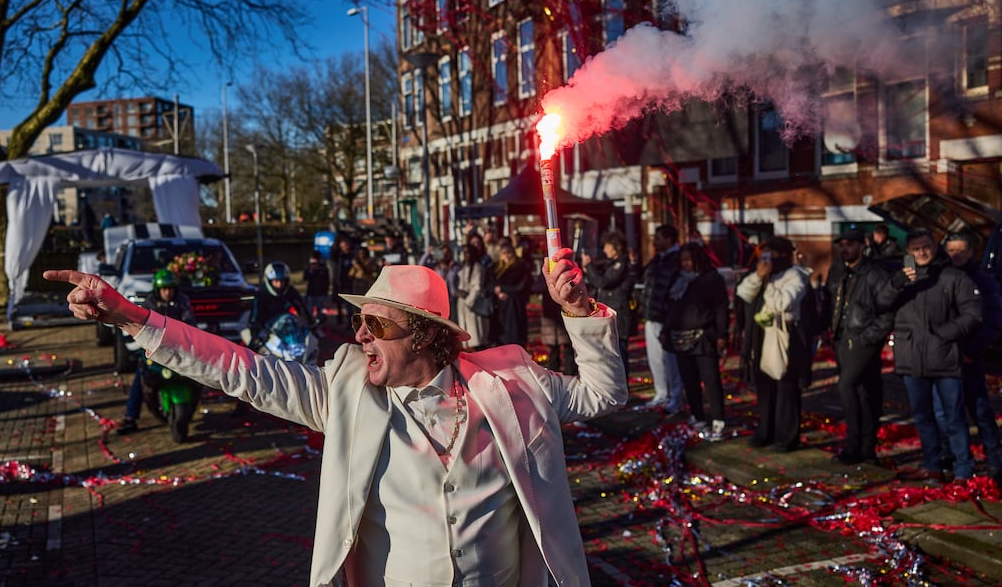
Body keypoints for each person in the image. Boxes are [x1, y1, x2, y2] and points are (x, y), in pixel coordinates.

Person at [44, 251, 627, 585]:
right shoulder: (344, 395)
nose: (361, 335)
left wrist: (581, 314)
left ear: (425, 335)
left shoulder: (514, 384)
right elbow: (239, 370)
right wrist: (130, 317)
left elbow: (604, 396)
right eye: (360, 322)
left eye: (378, 325)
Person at [882, 229, 982, 482]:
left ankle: (962, 469)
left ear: (935, 247)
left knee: (953, 417)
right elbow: (879, 304)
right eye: (915, 248)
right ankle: (932, 465)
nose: (921, 252)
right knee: (923, 417)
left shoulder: (953, 277)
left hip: (945, 357)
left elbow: (973, 313)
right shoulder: (900, 279)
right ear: (908, 252)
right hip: (911, 358)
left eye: (925, 246)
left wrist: (946, 333)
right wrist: (895, 284)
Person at [825, 228, 895, 465]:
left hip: (863, 339)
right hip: (842, 339)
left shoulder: (875, 273)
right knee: (863, 392)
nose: (845, 249)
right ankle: (865, 449)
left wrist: (869, 338)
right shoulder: (839, 271)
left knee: (847, 386)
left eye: (850, 244)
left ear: (862, 246)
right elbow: (831, 302)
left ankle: (855, 446)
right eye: (842, 244)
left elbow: (887, 312)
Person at [735, 237, 810, 452]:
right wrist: (758, 276)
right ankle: (765, 430)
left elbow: (782, 303)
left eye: (773, 255)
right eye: (765, 255)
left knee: (786, 386)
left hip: (785, 335)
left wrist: (768, 284)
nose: (769, 260)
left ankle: (787, 436)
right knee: (764, 385)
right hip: (761, 335)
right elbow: (744, 294)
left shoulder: (795, 275)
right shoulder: (764, 274)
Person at [943, 232, 1002, 481]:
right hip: (943, 358)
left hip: (968, 356)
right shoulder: (940, 277)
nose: (955, 254)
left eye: (961, 249)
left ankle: (996, 462)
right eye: (951, 250)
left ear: (970, 252)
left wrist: (973, 350)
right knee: (947, 413)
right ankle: (955, 461)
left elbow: (993, 319)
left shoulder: (983, 280)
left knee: (980, 410)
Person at [116, 269, 195, 434]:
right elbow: (141, 325)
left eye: (171, 288)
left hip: (179, 351)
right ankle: (130, 417)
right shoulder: (149, 304)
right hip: (154, 350)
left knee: (200, 376)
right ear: (157, 290)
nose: (167, 292)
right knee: (140, 376)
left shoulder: (183, 302)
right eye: (164, 289)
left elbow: (190, 322)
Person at [663, 242, 729, 439]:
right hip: (680, 338)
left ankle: (718, 419)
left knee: (711, 380)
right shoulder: (678, 280)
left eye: (688, 260)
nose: (685, 264)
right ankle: (697, 415)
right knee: (689, 380)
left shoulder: (711, 279)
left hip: (704, 337)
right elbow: (671, 308)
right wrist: (667, 329)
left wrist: (722, 334)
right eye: (682, 260)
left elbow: (721, 308)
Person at [643, 225, 684, 411]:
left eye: (658, 238)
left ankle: (676, 396)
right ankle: (661, 393)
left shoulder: (678, 259)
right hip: (652, 314)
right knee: (655, 359)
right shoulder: (657, 260)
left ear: (669, 239)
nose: (655, 242)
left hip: (667, 318)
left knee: (672, 361)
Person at [585, 231, 637, 375]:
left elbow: (603, 282)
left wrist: (589, 266)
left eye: (607, 246)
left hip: (618, 316)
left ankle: (623, 392)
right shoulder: (611, 263)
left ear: (616, 247)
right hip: (611, 315)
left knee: (619, 354)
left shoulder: (621, 264)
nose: (604, 250)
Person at [249, 261, 314, 345]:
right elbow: (255, 315)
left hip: (283, 325)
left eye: (282, 281)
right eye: (276, 281)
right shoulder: (261, 294)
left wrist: (310, 323)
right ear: (269, 281)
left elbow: (301, 307)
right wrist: (256, 332)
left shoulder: (290, 291)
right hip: (266, 328)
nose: (279, 285)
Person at [490, 243, 532, 347]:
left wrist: (503, 289)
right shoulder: (496, 268)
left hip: (514, 305)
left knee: (514, 336)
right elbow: (489, 284)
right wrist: (497, 291)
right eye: (504, 253)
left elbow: (521, 286)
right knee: (501, 338)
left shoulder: (520, 266)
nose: (507, 256)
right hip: (500, 307)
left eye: (509, 253)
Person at [456, 244, 489, 349]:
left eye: (467, 252)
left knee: (475, 332)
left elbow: (477, 287)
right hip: (463, 303)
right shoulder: (464, 268)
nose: (465, 255)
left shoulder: (477, 268)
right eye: (463, 252)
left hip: (472, 303)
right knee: (466, 330)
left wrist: (468, 300)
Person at [330, 236, 357, 320]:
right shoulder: (338, 255)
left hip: (349, 283)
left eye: (346, 245)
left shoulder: (352, 255)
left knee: (349, 304)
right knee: (338, 302)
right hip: (338, 282)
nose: (344, 247)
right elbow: (333, 250)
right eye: (342, 245)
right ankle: (339, 317)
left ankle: (350, 321)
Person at [302, 251, 331, 327]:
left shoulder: (323, 268)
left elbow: (326, 281)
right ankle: (309, 326)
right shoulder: (309, 267)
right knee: (309, 311)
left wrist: (326, 293)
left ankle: (319, 327)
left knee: (320, 312)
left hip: (321, 293)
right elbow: (305, 278)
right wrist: (311, 271)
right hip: (311, 293)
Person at [434, 245, 460, 323]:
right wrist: (429, 252)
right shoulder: (438, 267)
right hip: (441, 300)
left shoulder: (456, 266)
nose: (445, 255)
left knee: (454, 323)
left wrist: (449, 268)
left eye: (447, 252)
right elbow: (421, 263)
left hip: (453, 299)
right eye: (443, 253)